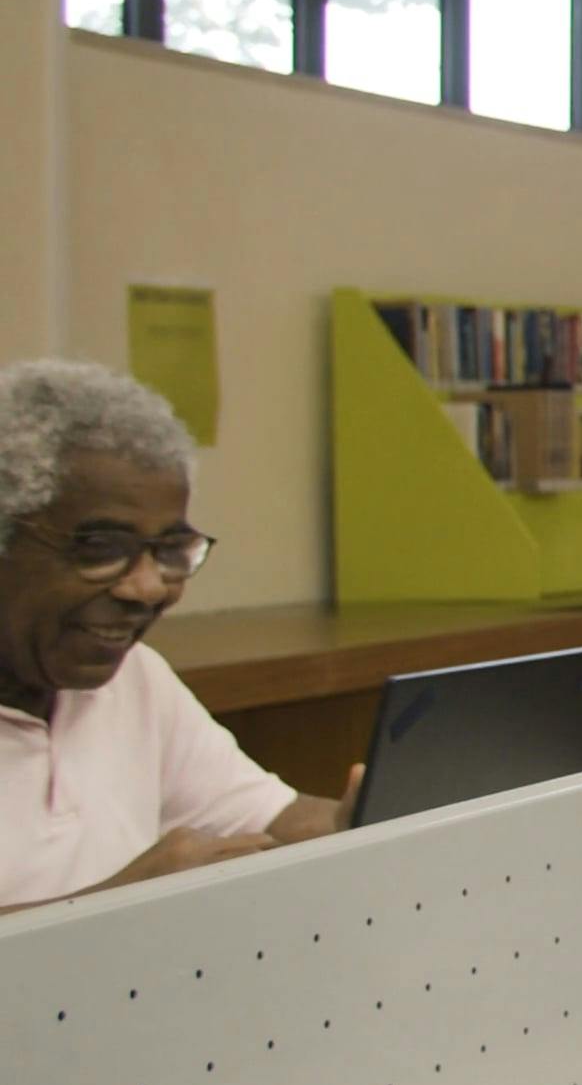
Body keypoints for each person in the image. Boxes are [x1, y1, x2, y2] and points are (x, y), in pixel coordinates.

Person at [0, 361, 346, 915]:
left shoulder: (135, 677)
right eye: (100, 548)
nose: (147, 587)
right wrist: (125, 902)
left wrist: (360, 821)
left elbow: (276, 820)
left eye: (169, 551)